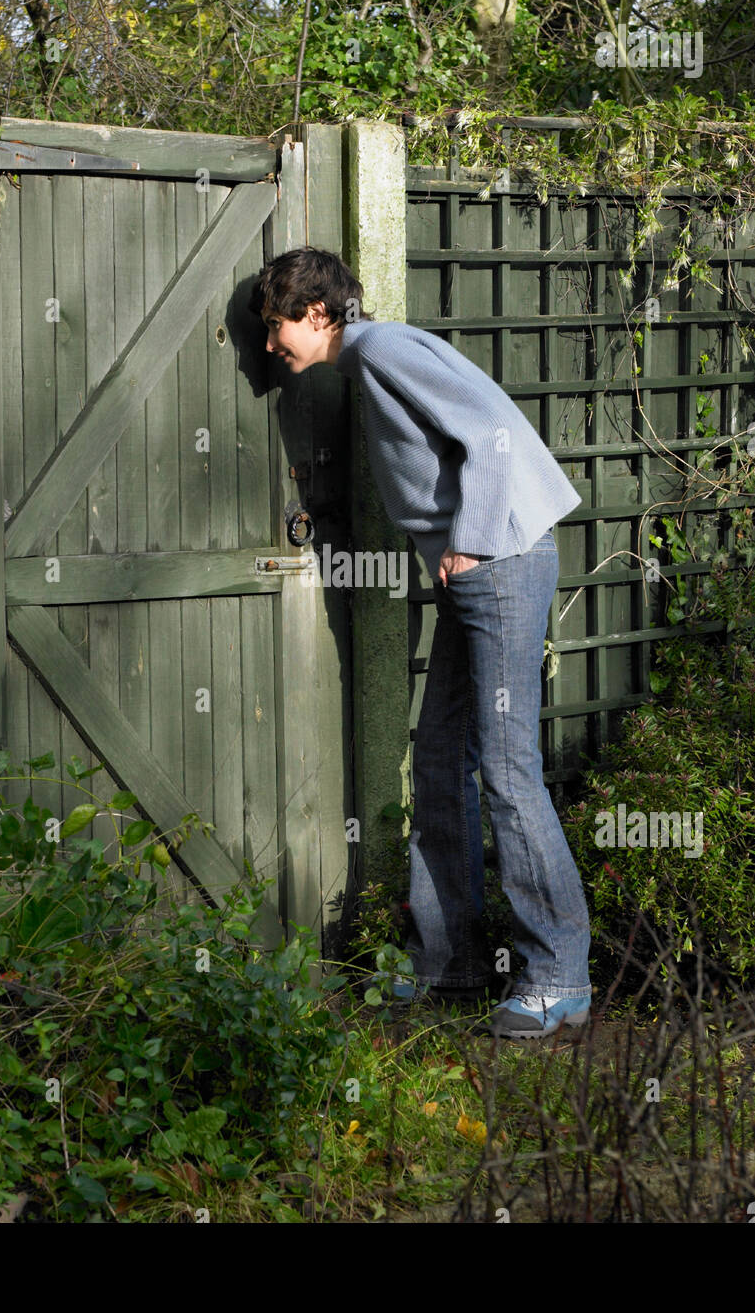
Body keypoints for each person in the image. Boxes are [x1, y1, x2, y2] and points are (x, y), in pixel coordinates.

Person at [248, 246, 592, 1040]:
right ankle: (451, 961)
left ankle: (558, 975)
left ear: (319, 313)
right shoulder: (372, 359)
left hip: (499, 566)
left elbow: (495, 434)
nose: (272, 345)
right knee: (441, 758)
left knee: (508, 772)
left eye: (278, 327)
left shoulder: (380, 349)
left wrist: (468, 539)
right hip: (476, 576)